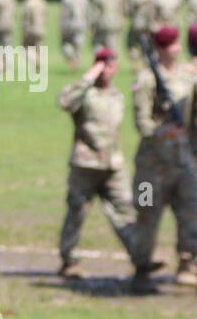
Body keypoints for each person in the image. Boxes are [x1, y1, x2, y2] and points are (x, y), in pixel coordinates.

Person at [54, 47, 138, 287]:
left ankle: (140, 258)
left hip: (112, 164)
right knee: (77, 212)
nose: (107, 71)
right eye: (103, 65)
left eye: (111, 66)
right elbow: (64, 101)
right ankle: (69, 260)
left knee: (126, 211)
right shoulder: (84, 94)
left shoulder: (117, 96)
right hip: (85, 163)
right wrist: (88, 77)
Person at [128, 25, 197, 289]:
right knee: (146, 214)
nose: (176, 49)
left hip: (182, 161)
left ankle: (187, 263)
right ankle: (142, 267)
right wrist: (161, 131)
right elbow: (141, 122)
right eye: (171, 45)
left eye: (177, 44)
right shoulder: (146, 79)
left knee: (191, 211)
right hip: (151, 167)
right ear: (159, 48)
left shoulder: (186, 76)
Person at [59, 0, 90, 68]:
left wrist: (61, 26)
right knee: (78, 43)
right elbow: (87, 12)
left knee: (65, 44)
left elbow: (64, 14)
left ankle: (71, 56)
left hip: (69, 24)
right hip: (81, 23)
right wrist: (89, 25)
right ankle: (77, 58)